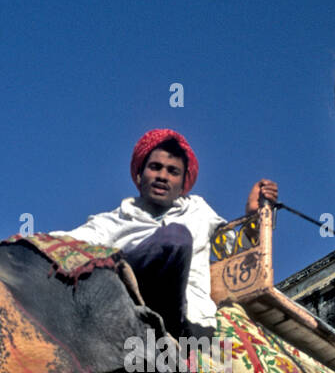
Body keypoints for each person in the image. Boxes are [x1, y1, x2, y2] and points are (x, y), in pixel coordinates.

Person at [54, 128, 277, 340]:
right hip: (129, 314)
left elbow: (236, 255)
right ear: (139, 175)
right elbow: (66, 243)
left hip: (190, 322)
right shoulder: (114, 221)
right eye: (155, 167)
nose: (163, 176)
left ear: (182, 185)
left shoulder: (199, 211)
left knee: (175, 239)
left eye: (173, 171)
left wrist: (253, 219)